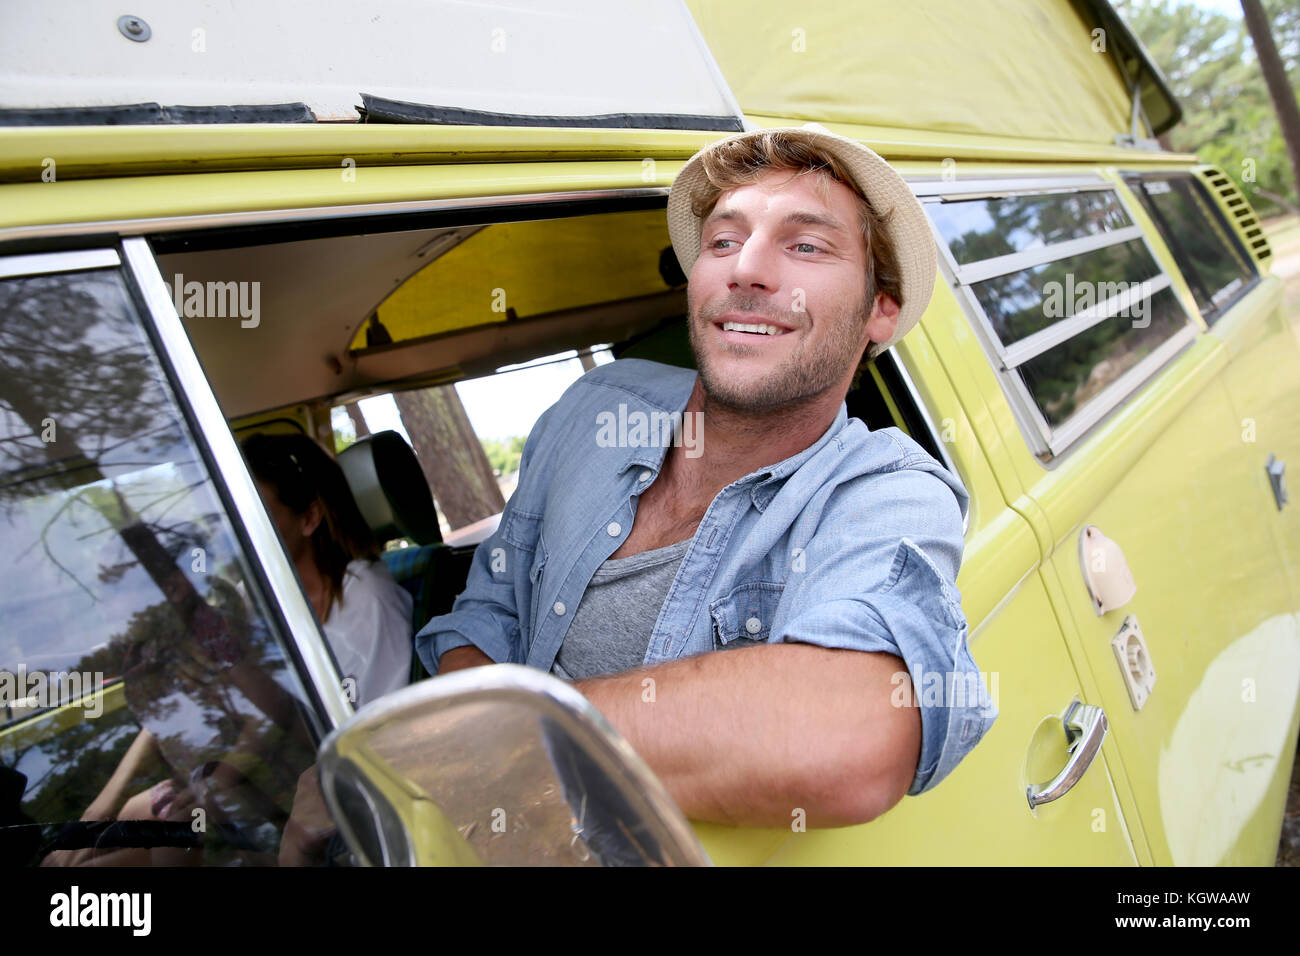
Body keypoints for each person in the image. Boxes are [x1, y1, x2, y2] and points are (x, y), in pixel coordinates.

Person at [415, 124, 997, 830]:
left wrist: (470, 757)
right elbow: (492, 611)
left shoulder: (887, 490)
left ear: (882, 309)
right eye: (723, 241)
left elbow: (848, 732)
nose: (745, 269)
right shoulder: (597, 405)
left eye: (806, 244)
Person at [242, 433, 411, 707]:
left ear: (309, 518)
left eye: (259, 518)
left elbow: (383, 722)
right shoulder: (252, 604)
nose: (241, 533)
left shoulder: (366, 597)